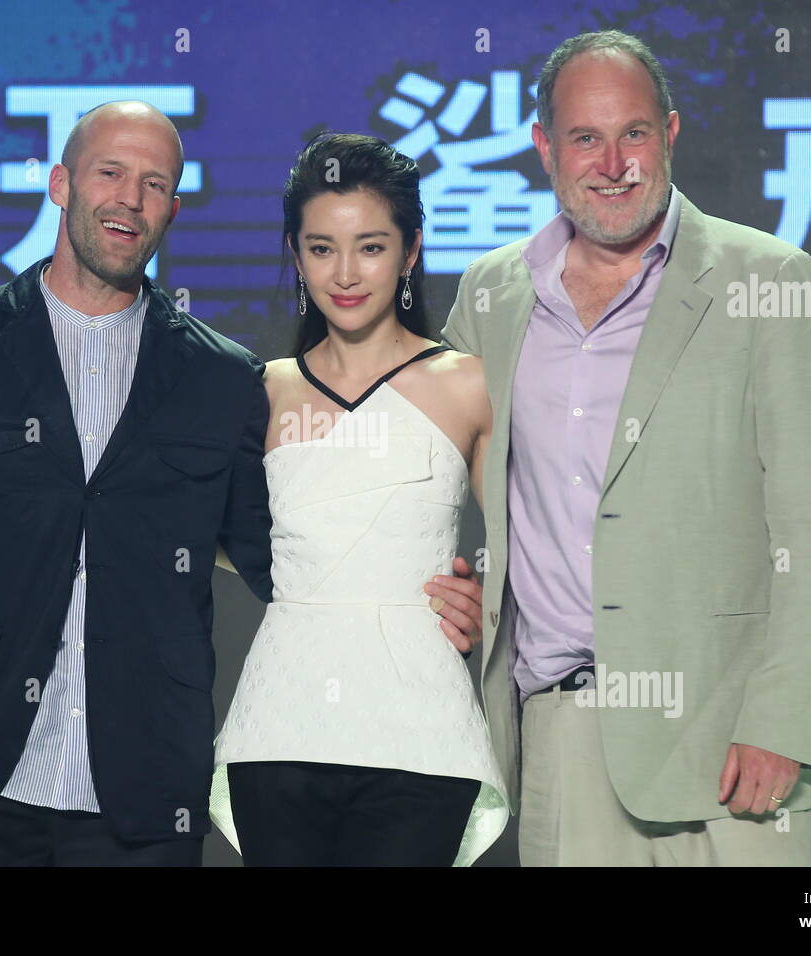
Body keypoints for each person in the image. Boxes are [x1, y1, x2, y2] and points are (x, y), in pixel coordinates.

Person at [0, 102, 482, 867]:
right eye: (110, 171)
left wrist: (428, 593)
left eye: (154, 183)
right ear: (59, 183)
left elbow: (285, 550)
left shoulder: (218, 377)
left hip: (143, 805)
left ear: (173, 208)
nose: (129, 198)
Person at [441, 31, 811, 866]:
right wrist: (452, 586)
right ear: (543, 147)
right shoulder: (492, 291)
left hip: (728, 735)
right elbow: (434, 464)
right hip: (561, 729)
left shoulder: (767, 278)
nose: (612, 163)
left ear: (669, 134)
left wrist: (781, 722)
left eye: (632, 133)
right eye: (585, 138)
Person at [209, 133, 510, 867]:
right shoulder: (264, 388)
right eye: (320, 249)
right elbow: (200, 528)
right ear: (295, 252)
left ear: (410, 252)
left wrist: (480, 587)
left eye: (370, 247)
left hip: (421, 725)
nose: (344, 274)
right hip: (280, 723)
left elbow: (528, 536)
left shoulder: (467, 383)